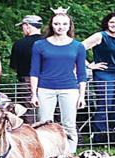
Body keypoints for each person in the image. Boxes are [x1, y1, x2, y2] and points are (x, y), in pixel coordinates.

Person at [29, 9, 87, 148]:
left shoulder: (78, 46)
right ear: (51, 25)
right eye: (57, 24)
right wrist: (34, 94)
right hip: (45, 88)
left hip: (69, 89)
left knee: (69, 124)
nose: (60, 27)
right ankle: (46, 153)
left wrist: (82, 95)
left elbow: (81, 73)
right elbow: (34, 71)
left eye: (64, 24)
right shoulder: (39, 45)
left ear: (69, 25)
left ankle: (70, 153)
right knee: (44, 124)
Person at [82, 12, 115, 146]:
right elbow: (78, 48)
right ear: (106, 23)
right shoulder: (99, 36)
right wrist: (89, 65)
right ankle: (100, 138)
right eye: (112, 22)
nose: (114, 25)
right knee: (104, 105)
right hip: (103, 74)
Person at [9, 14, 44, 124]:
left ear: (27, 26)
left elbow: (14, 66)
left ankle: (30, 132)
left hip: (26, 82)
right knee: (51, 110)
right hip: (47, 80)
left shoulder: (19, 44)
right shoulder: (48, 42)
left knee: (28, 111)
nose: (22, 29)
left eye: (22, 26)